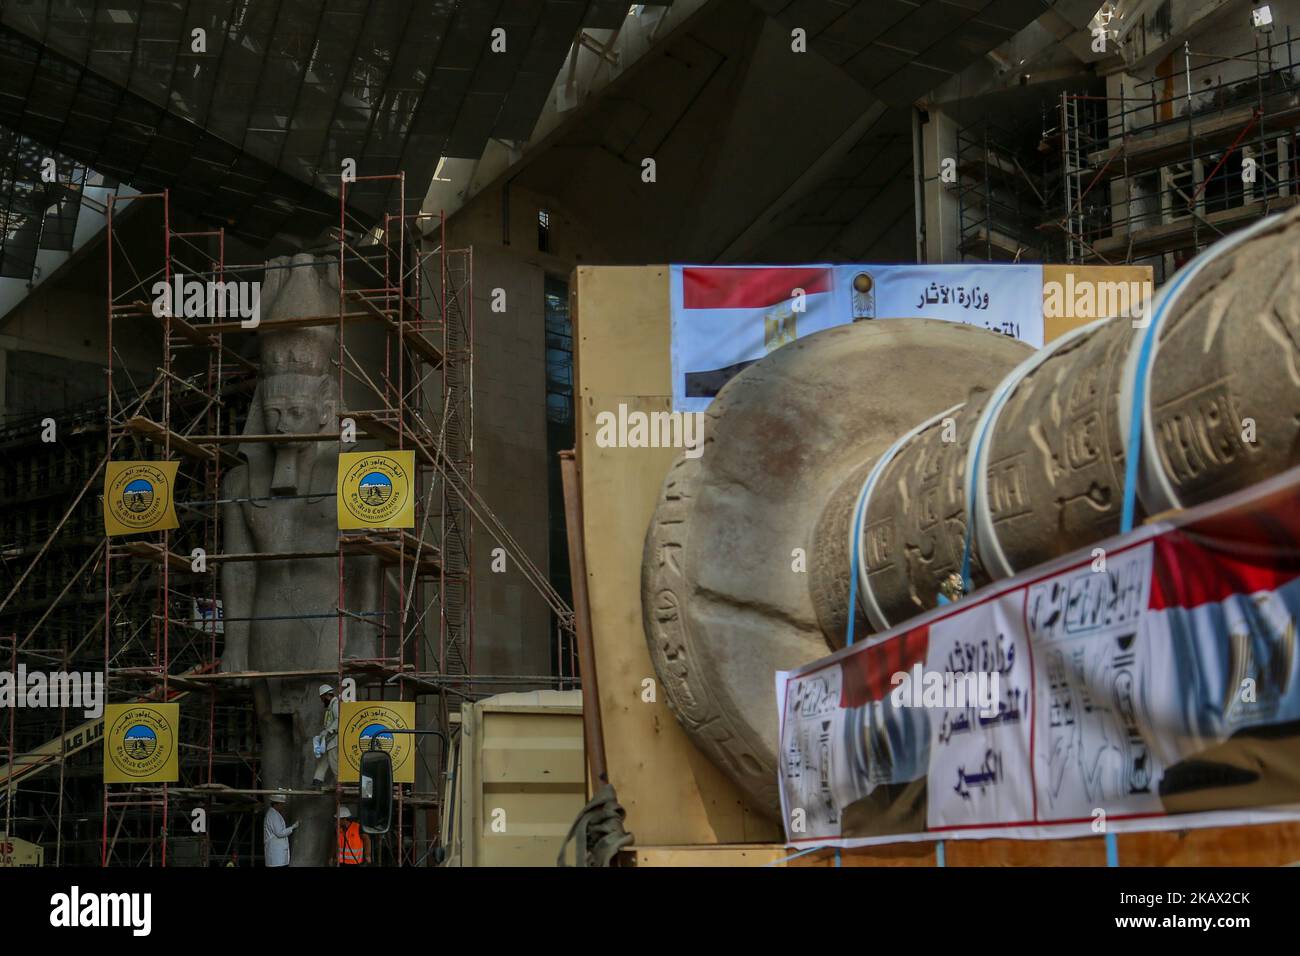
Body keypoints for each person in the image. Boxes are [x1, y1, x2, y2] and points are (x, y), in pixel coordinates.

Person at [312, 684, 339, 787]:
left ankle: (340, 783)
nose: (322, 701)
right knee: (324, 761)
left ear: (327, 695)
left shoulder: (336, 704)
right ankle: (317, 781)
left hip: (334, 740)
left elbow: (339, 719)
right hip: (330, 740)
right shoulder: (331, 706)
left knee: (333, 762)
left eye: (322, 698)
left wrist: (328, 731)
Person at [263, 792, 297, 867]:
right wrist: (293, 827)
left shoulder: (274, 813)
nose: (283, 806)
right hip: (276, 854)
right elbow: (280, 833)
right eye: (281, 804)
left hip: (277, 853)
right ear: (276, 804)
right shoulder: (273, 815)